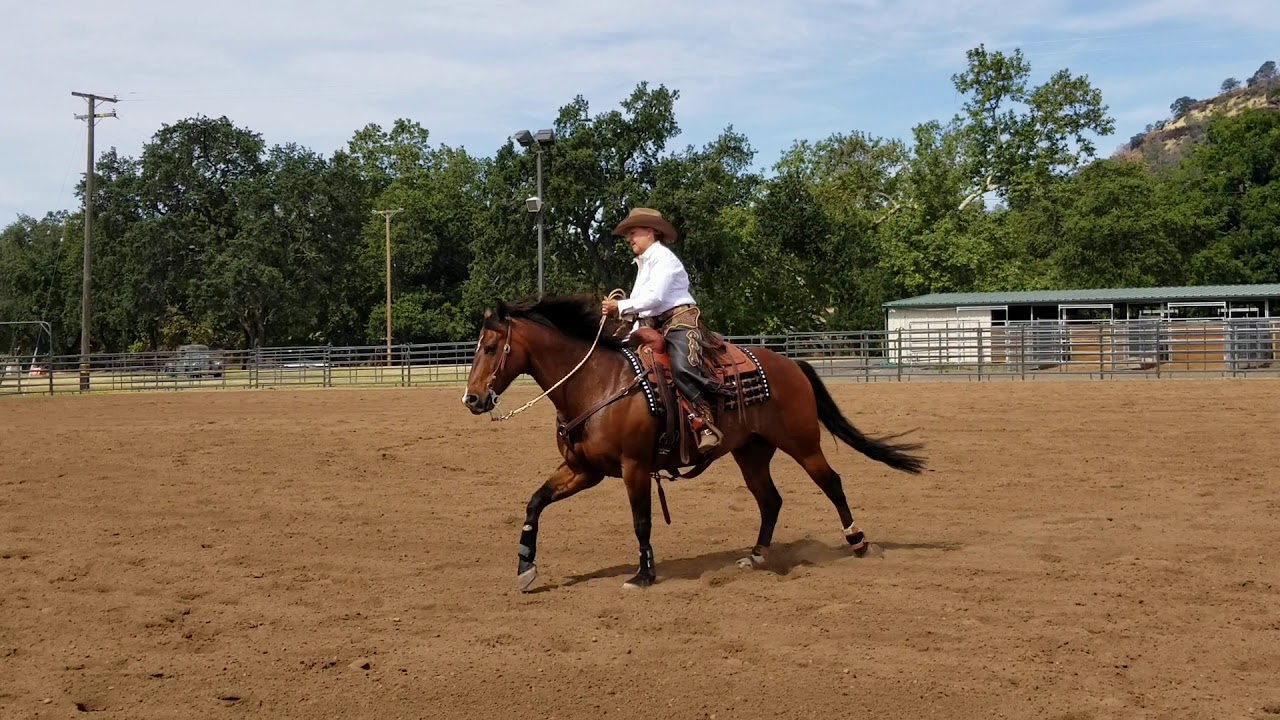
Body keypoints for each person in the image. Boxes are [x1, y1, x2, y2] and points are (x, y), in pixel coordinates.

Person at [601, 208, 723, 451]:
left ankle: (705, 422)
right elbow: (644, 305)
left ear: (651, 231)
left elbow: (655, 298)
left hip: (679, 321)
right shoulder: (644, 263)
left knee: (682, 365)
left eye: (633, 233)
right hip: (651, 324)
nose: (628, 239)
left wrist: (620, 306)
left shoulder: (664, 258)